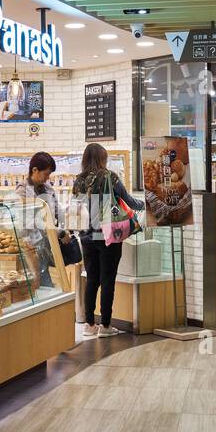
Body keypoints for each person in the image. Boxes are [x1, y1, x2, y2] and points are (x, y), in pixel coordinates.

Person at [71, 142, 143, 338]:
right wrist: (147, 205)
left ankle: (88, 324)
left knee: (92, 279)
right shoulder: (109, 176)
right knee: (107, 279)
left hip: (86, 236)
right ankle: (106, 325)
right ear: (102, 158)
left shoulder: (78, 180)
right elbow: (129, 201)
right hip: (108, 234)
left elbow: (75, 210)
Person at [13, 151, 67, 289]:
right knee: (39, 283)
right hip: (30, 246)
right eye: (46, 174)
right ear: (35, 170)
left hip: (46, 244)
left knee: (43, 281)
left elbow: (57, 211)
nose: (48, 178)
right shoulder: (22, 191)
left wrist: (69, 220)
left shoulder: (48, 189)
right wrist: (59, 232)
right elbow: (30, 222)